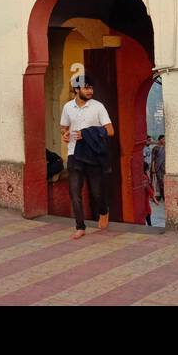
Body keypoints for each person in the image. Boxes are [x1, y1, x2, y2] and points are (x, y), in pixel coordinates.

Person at [60, 76, 115, 240]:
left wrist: (87, 133)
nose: (90, 91)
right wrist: (65, 134)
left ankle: (103, 211)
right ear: (77, 90)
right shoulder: (68, 107)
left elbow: (110, 131)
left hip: (93, 155)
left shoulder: (98, 107)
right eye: (86, 88)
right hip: (74, 153)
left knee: (97, 192)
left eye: (91, 88)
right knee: (74, 191)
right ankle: (80, 226)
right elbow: (63, 127)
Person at [150, 134, 166, 203]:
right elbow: (153, 159)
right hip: (157, 168)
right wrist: (153, 168)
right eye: (163, 139)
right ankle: (158, 196)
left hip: (164, 168)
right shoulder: (156, 148)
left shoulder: (166, 148)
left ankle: (163, 196)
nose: (164, 141)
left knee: (163, 183)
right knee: (158, 182)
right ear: (160, 140)